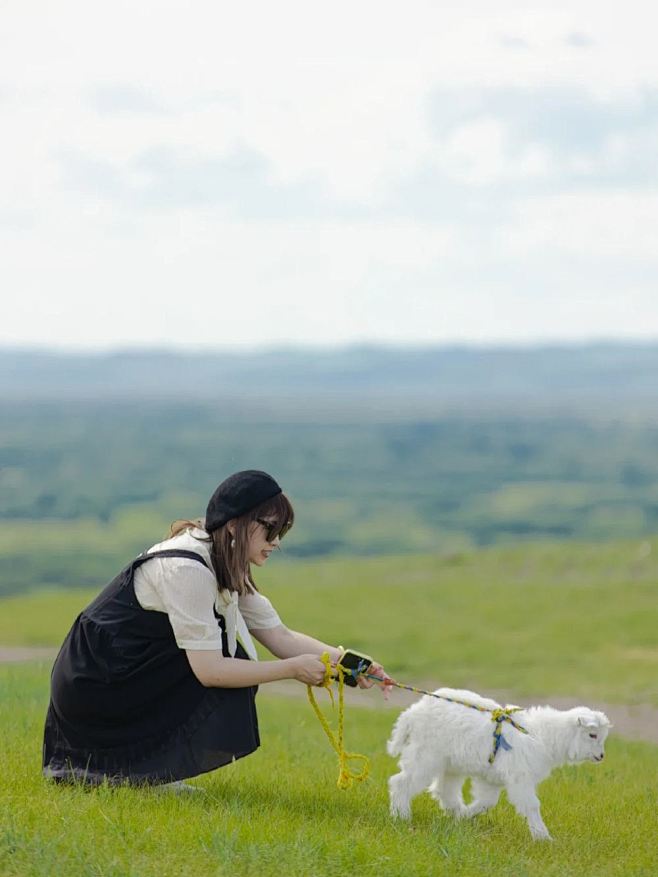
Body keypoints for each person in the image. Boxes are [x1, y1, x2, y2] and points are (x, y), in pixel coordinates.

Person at [43, 469, 388, 787]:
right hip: (95, 683)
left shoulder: (225, 559)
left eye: (282, 532)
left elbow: (280, 636)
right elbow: (210, 671)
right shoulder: (187, 570)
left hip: (122, 674)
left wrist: (353, 666)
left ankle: (146, 775)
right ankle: (137, 772)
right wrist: (291, 670)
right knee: (228, 661)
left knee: (234, 659)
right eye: (270, 530)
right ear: (235, 525)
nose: (276, 542)